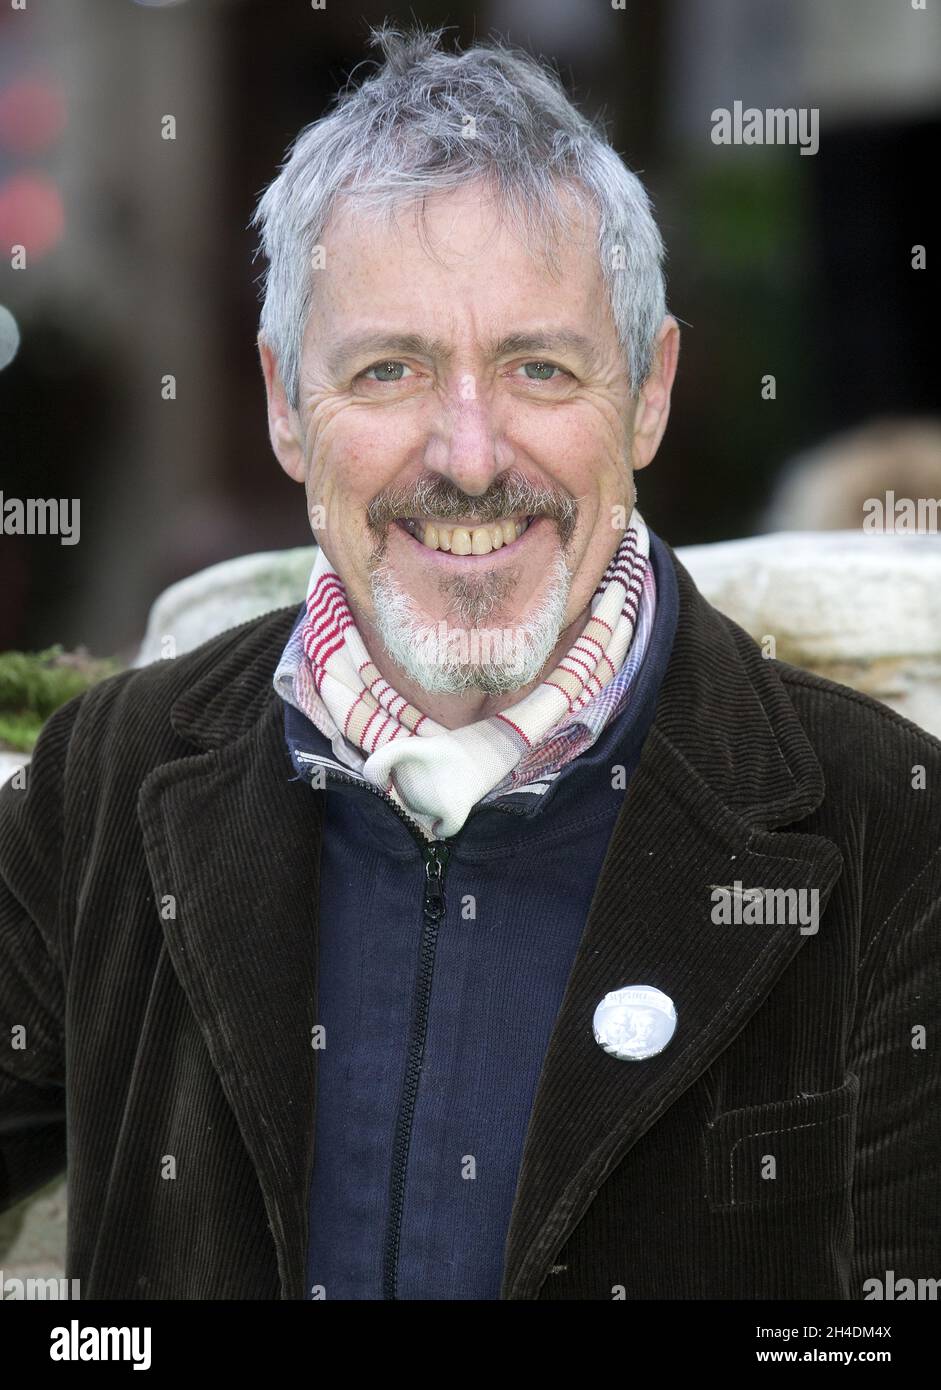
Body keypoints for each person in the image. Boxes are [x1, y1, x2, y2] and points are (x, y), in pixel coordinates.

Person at [1, 23, 938, 1302]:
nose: (469, 453)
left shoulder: (891, 833)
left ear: (647, 393)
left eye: (536, 366)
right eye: (387, 369)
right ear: (284, 404)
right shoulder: (104, 778)